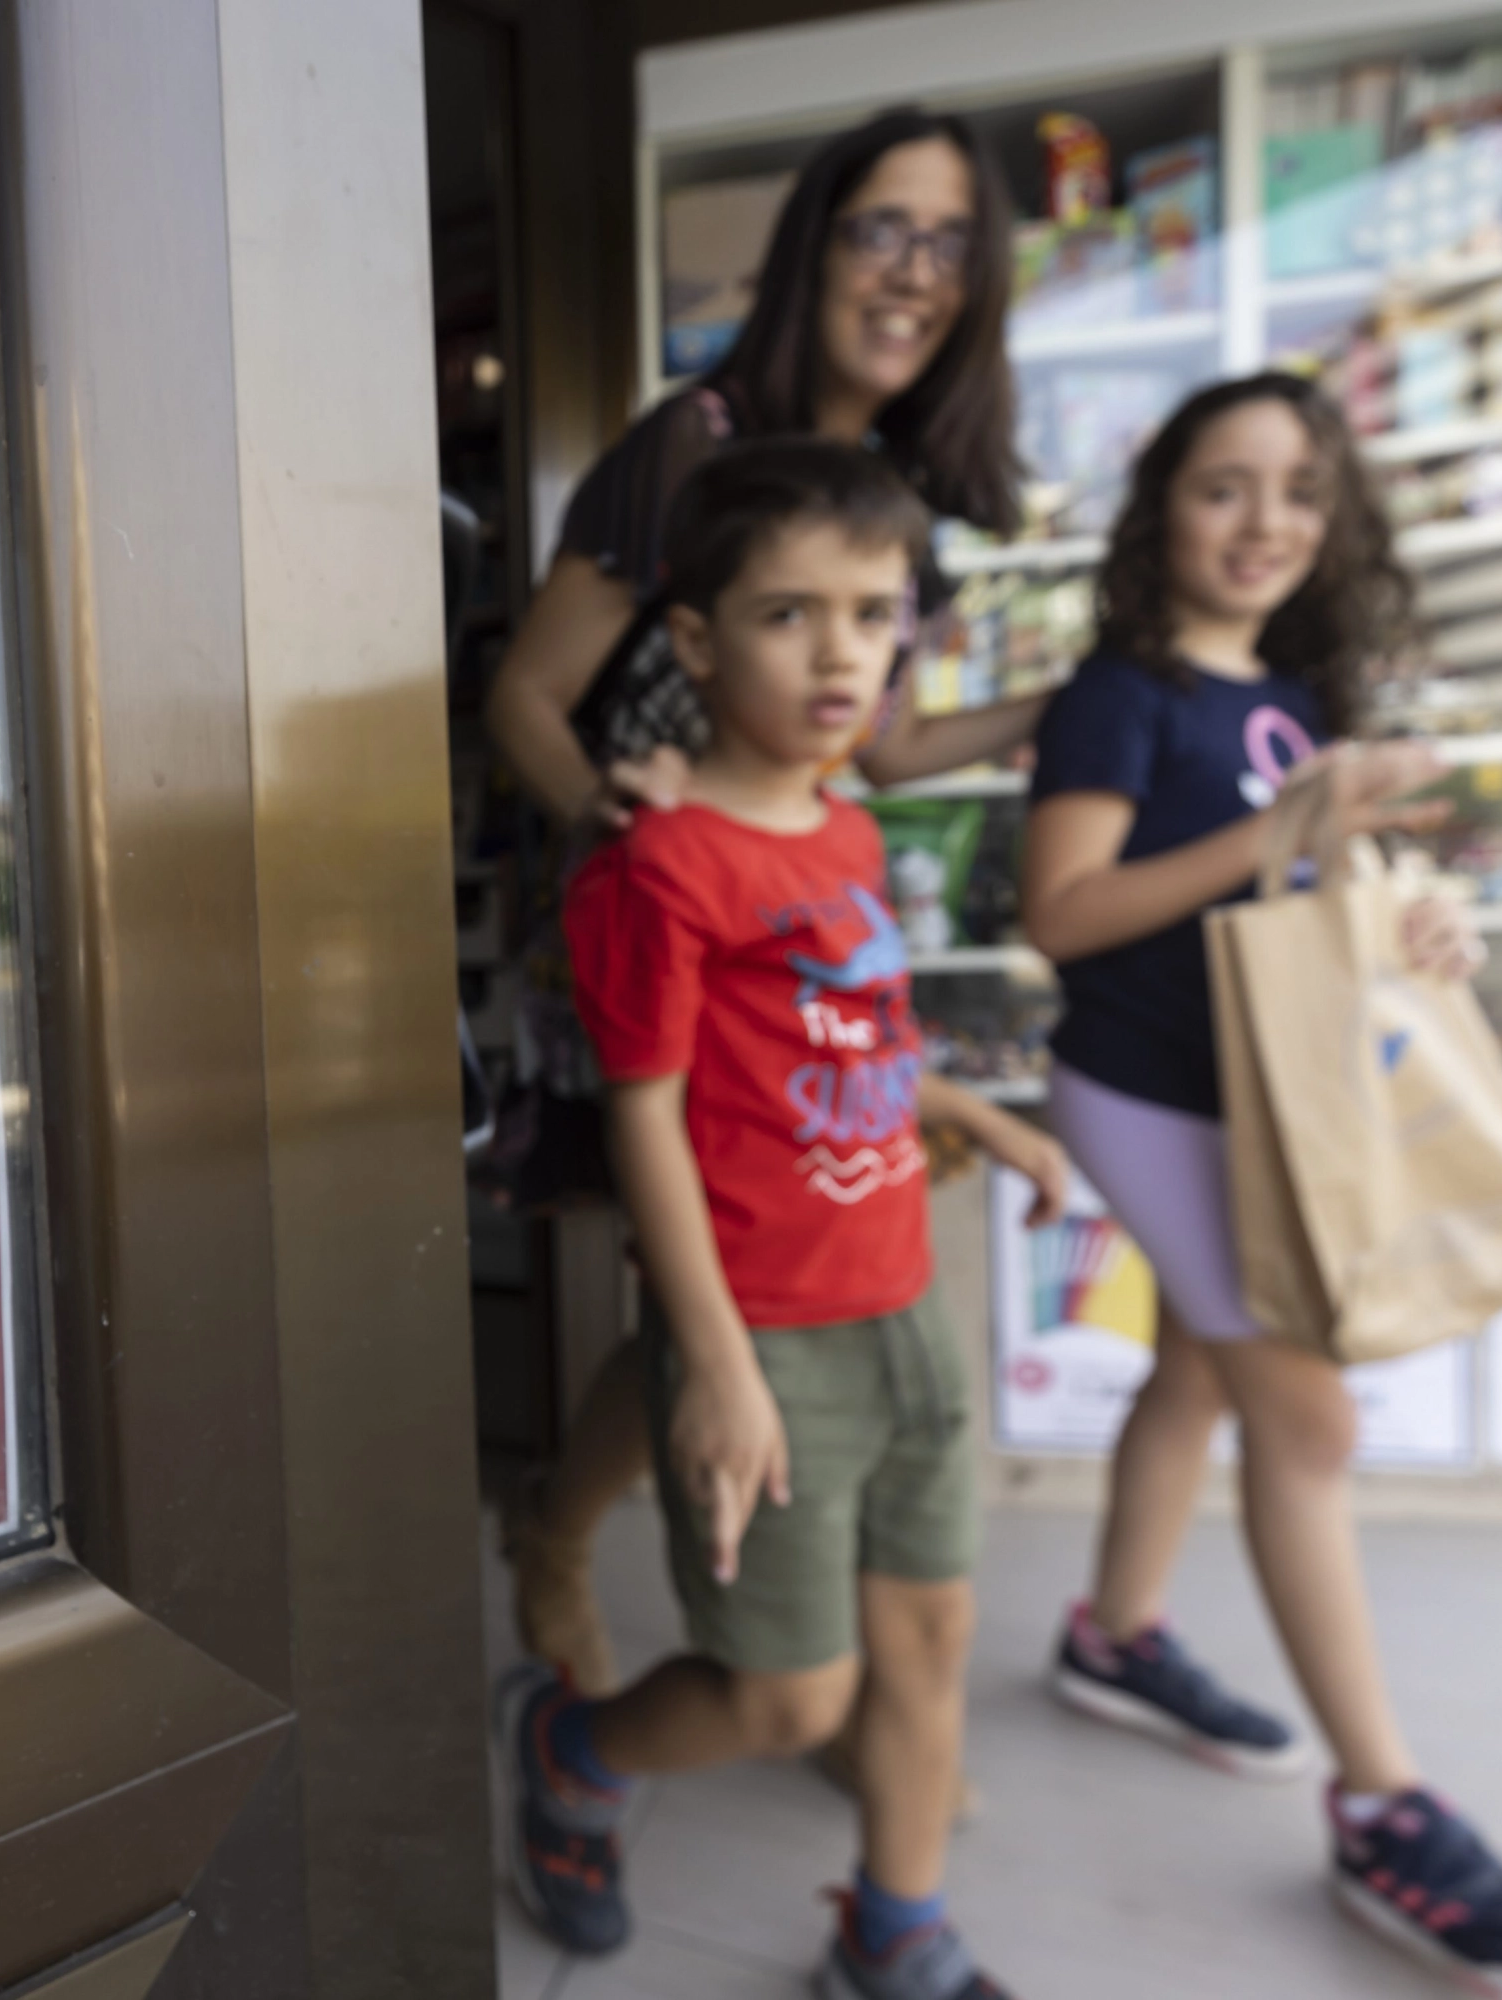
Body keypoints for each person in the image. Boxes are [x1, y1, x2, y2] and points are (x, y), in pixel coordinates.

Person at [1020, 372, 1502, 1995]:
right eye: (1220, 486)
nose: (1261, 522)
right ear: (1159, 501)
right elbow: (1063, 916)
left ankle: (1110, 1636)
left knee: (1199, 1374)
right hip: (1143, 1093)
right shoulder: (1116, 693)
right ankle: (1382, 1812)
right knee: (1305, 1420)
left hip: (1258, 1096)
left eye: (1295, 491)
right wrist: (1290, 827)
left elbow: (1311, 879)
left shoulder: (1290, 688)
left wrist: (1405, 906)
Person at [498, 439, 1068, 2000]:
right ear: (692, 642)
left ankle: (894, 1935)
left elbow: (846, 1041)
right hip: (766, 1339)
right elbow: (647, 1120)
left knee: (928, 1645)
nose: (840, 653)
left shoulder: (847, 833)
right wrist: (721, 1370)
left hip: (899, 1313)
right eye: (786, 614)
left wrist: (966, 1110)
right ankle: (565, 1742)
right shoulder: (657, 869)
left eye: (873, 615)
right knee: (782, 1696)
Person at [486, 105, 1044, 1696]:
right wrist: (617, 821)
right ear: (816, 242)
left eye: (947, 240)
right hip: (647, 897)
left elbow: (896, 742)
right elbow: (527, 697)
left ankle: (668, 1568)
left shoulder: (894, 485)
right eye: (881, 226)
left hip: (795, 922)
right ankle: (574, 1537)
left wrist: (1051, 710)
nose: (912, 268)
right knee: (693, 1269)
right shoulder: (692, 436)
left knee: (723, 1279)